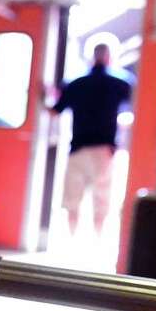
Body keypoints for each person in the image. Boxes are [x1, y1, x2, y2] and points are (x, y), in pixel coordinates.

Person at [49, 44, 132, 236]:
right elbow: (130, 114)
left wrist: (43, 94)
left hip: (77, 147)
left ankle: (71, 239)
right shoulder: (122, 83)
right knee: (102, 198)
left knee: (73, 198)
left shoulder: (75, 83)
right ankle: (97, 240)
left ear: (91, 57)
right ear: (110, 57)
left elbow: (55, 111)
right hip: (104, 150)